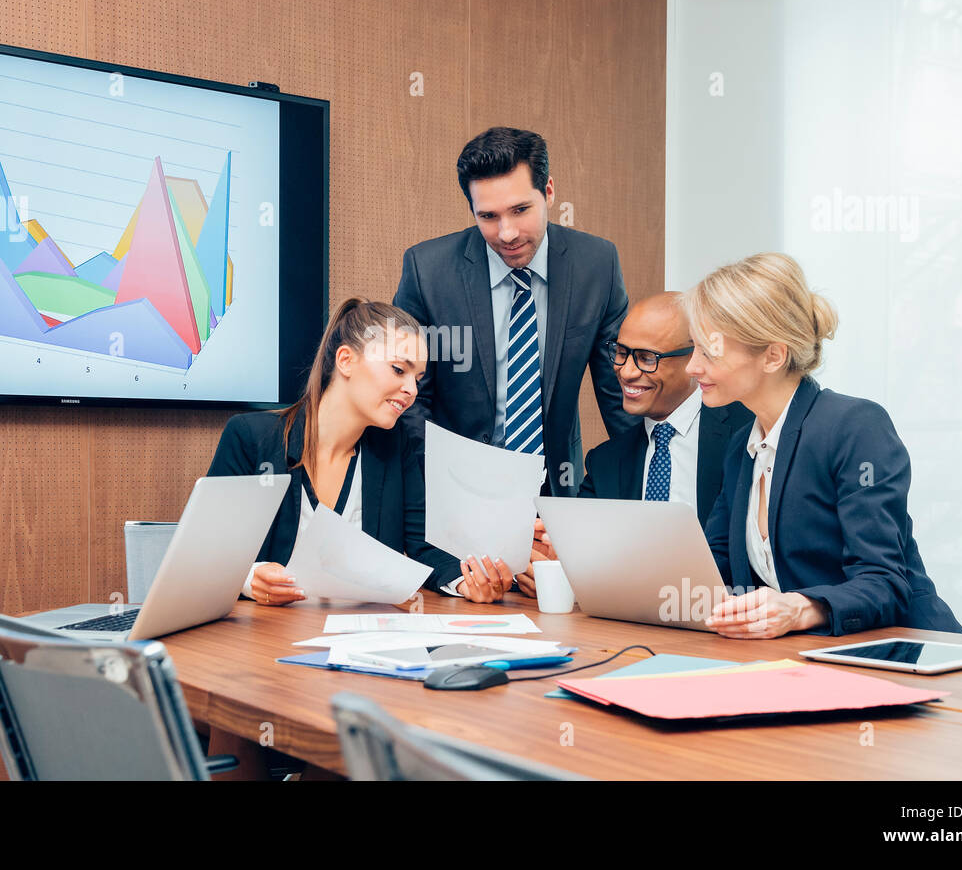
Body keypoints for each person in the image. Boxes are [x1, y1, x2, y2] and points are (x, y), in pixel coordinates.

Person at [679, 252, 962, 637]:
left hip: (901, 658)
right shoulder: (742, 447)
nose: (692, 367)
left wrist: (802, 608)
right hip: (802, 663)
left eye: (708, 351)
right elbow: (716, 569)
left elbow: (884, 584)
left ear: (773, 356)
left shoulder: (855, 427)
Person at [207, 297, 515, 605]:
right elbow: (208, 552)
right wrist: (250, 578)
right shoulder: (251, 438)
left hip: (360, 639)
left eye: (417, 378)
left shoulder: (396, 446)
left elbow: (424, 547)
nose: (412, 390)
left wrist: (467, 581)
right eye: (398, 370)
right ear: (346, 361)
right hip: (262, 640)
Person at [392, 127, 639, 503]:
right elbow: (410, 396)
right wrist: (447, 483)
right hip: (454, 487)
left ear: (549, 191)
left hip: (554, 486)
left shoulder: (597, 265)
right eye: (488, 216)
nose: (507, 233)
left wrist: (640, 491)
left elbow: (620, 391)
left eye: (520, 210)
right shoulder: (429, 271)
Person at [518, 292, 752, 596]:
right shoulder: (606, 462)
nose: (626, 371)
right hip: (631, 629)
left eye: (646, 358)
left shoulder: (748, 434)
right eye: (621, 352)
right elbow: (582, 553)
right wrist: (555, 560)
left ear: (696, 358)